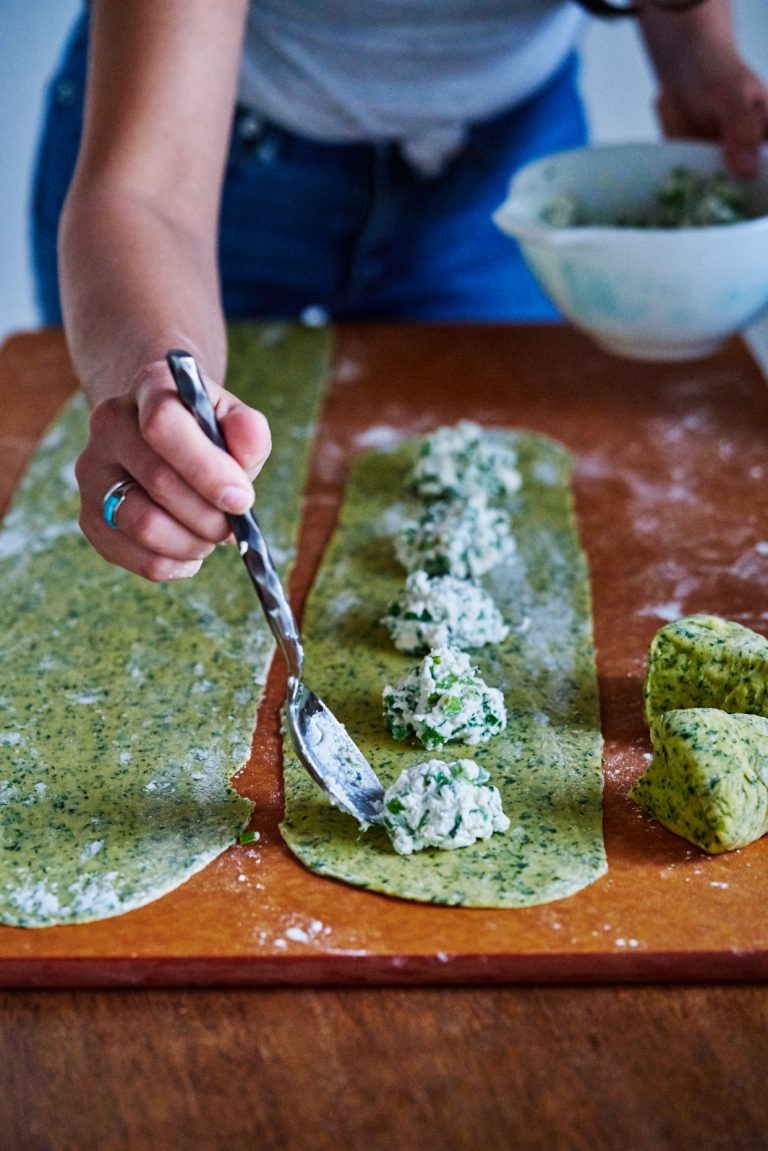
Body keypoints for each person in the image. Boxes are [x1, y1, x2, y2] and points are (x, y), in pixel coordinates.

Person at [31, 0, 768, 582]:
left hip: (497, 167)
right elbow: (146, 194)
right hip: (204, 150)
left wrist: (697, 53)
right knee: (194, 505)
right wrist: (156, 388)